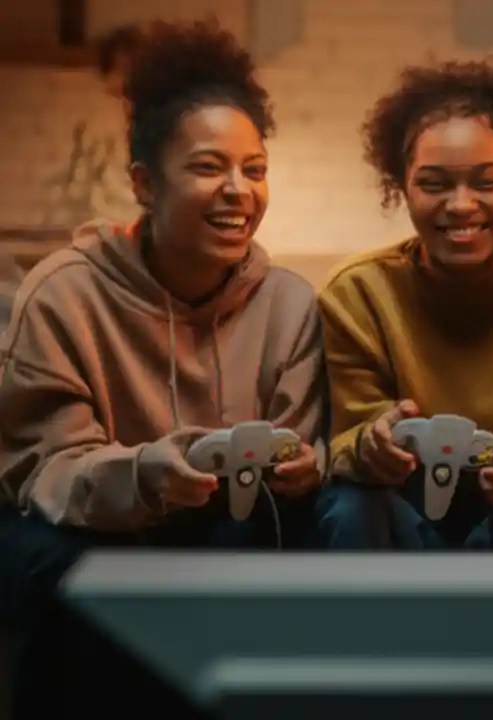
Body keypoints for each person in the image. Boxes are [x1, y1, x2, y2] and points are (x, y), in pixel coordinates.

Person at [0, 20, 328, 711]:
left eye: (255, 169)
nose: (239, 190)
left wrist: (306, 465)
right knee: (52, 561)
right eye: (209, 167)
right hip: (87, 527)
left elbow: (297, 447)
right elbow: (45, 473)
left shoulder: (290, 304)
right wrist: (148, 472)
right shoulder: (62, 293)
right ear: (145, 184)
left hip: (226, 525)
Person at [314, 61, 493, 550]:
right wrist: (375, 447)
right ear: (401, 188)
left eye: (486, 183)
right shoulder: (357, 294)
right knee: (351, 502)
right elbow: (344, 443)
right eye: (434, 184)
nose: (461, 205)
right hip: (402, 511)